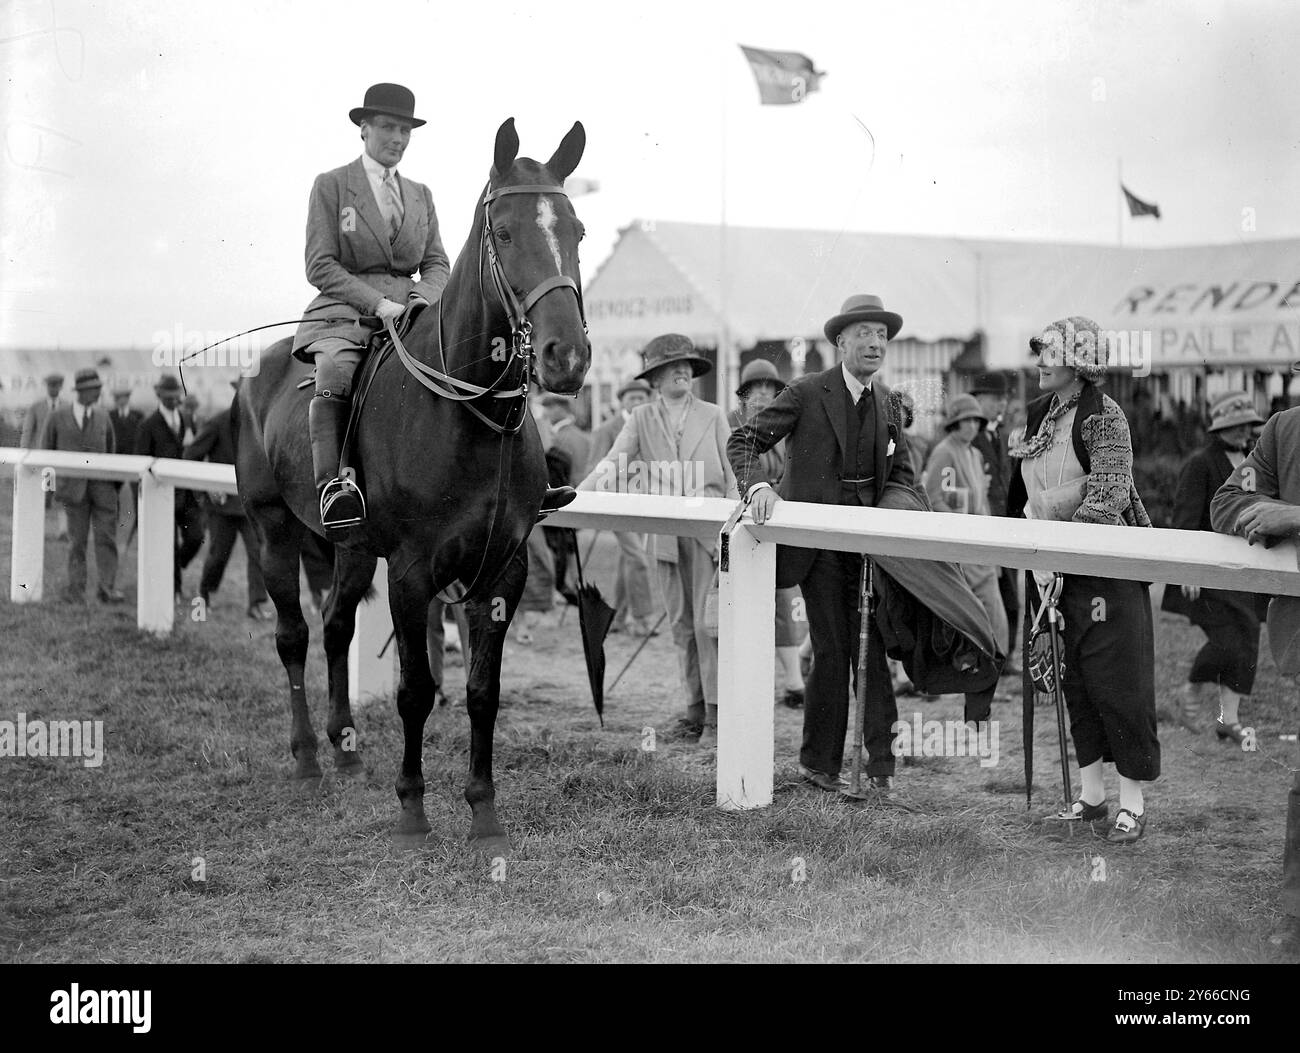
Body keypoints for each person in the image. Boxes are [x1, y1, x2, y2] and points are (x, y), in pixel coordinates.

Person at [729, 294, 914, 793]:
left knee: (873, 653)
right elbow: (744, 442)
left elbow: (903, 477)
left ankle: (881, 771)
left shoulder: (891, 404)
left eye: (882, 335)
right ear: (840, 342)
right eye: (864, 334)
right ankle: (819, 766)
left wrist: (894, 520)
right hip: (816, 550)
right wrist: (759, 487)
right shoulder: (808, 391)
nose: (875, 343)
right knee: (833, 649)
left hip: (869, 549)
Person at [1006, 316, 1158, 844]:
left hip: (1106, 571)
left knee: (1119, 685)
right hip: (1052, 571)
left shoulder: (1105, 416)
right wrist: (1035, 559)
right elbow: (1018, 497)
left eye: (1049, 353)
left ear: (1078, 362)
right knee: (1076, 684)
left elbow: (1109, 497)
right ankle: (1092, 798)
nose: (1040, 362)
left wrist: (1056, 547)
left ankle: (1131, 805)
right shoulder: (1036, 414)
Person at [581, 333, 736, 747]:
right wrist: (575, 497)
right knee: (681, 625)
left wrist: (736, 525)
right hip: (667, 536)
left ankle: (717, 719)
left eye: (687, 365)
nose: (682, 371)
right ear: (655, 377)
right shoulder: (642, 418)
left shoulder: (714, 414)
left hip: (708, 534)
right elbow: (614, 463)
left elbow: (733, 470)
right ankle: (694, 711)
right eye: (672, 366)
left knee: (709, 626)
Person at [1210, 369, 1300, 918]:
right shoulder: (1283, 431)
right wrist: (1258, 515)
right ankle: (1295, 918)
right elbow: (1225, 504)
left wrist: (1290, 517)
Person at [1162, 392, 1268, 742]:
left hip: (1245, 570)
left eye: (1246, 424)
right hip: (1207, 572)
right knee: (1226, 641)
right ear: (1219, 427)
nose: (1242, 431)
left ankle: (1229, 719)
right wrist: (1189, 571)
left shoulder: (1256, 460)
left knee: (1248, 641)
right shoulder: (1201, 463)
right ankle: (1190, 691)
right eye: (1234, 426)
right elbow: (1184, 521)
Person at [732, 358, 808, 709]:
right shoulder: (732, 430)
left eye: (769, 391)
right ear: (743, 397)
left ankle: (793, 681)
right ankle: (744, 688)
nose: (762, 398)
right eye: (755, 391)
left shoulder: (783, 432)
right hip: (737, 527)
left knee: (783, 601)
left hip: (775, 525)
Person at [923, 393, 1009, 658]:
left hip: (980, 541)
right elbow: (933, 497)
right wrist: (958, 529)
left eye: (975, 420)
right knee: (975, 609)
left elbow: (980, 501)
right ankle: (982, 660)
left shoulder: (973, 453)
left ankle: (995, 658)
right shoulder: (944, 451)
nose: (972, 426)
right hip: (960, 544)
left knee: (992, 606)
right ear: (954, 423)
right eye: (965, 420)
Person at [184, 385, 273, 620]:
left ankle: (256, 604)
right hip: (221, 507)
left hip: (249, 505)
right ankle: (203, 596)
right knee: (218, 555)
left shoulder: (260, 424)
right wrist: (208, 485)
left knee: (258, 552)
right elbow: (190, 456)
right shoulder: (217, 423)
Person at [38, 369, 124, 604]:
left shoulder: (103, 417)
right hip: (72, 492)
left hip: (103, 491)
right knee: (77, 542)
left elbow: (111, 451)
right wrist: (50, 489)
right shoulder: (57, 417)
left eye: (98, 388)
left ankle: (107, 589)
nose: (97, 392)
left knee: (106, 538)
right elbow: (46, 453)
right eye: (93, 389)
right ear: (81, 391)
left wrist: (111, 487)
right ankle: (75, 591)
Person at [587, 378, 657, 636]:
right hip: (615, 504)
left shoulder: (650, 427)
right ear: (622, 401)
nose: (637, 402)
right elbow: (594, 466)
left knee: (628, 560)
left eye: (642, 398)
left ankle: (616, 618)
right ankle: (642, 619)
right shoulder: (606, 429)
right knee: (639, 559)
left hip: (643, 503)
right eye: (632, 398)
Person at [135, 374, 205, 598]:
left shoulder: (187, 420)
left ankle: (175, 569)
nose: (174, 401)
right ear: (159, 395)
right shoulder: (148, 425)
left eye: (177, 397)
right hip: (161, 494)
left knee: (195, 537)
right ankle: (173, 589)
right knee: (169, 544)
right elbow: (141, 461)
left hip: (187, 494)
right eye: (169, 397)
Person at [970, 371, 1020, 673]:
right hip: (984, 528)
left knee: (1010, 595)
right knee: (989, 597)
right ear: (978, 400)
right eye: (994, 398)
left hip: (1006, 526)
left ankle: (1007, 655)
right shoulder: (970, 437)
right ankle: (990, 655)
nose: (1000, 404)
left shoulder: (1000, 436)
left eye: (1003, 398)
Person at [22, 371, 69, 540]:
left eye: (56, 385)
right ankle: (37, 530)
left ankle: (63, 530)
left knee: (62, 495)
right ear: (46, 386)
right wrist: (25, 456)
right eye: (50, 385)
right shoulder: (37, 407)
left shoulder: (66, 407)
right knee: (41, 495)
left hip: (60, 460)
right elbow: (27, 432)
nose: (53, 389)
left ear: (61, 387)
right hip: (40, 459)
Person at [110, 382, 144, 545]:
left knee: (137, 495)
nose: (120, 401)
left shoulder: (138, 416)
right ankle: (113, 526)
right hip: (115, 462)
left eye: (122, 398)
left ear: (128, 398)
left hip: (133, 462)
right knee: (111, 495)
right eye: (117, 398)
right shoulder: (110, 415)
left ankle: (137, 529)